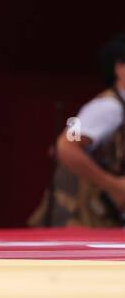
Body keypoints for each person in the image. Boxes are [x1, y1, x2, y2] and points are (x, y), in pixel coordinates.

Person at [32, 33, 125, 227]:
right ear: (120, 69)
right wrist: (111, 184)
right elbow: (64, 147)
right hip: (76, 219)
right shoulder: (108, 108)